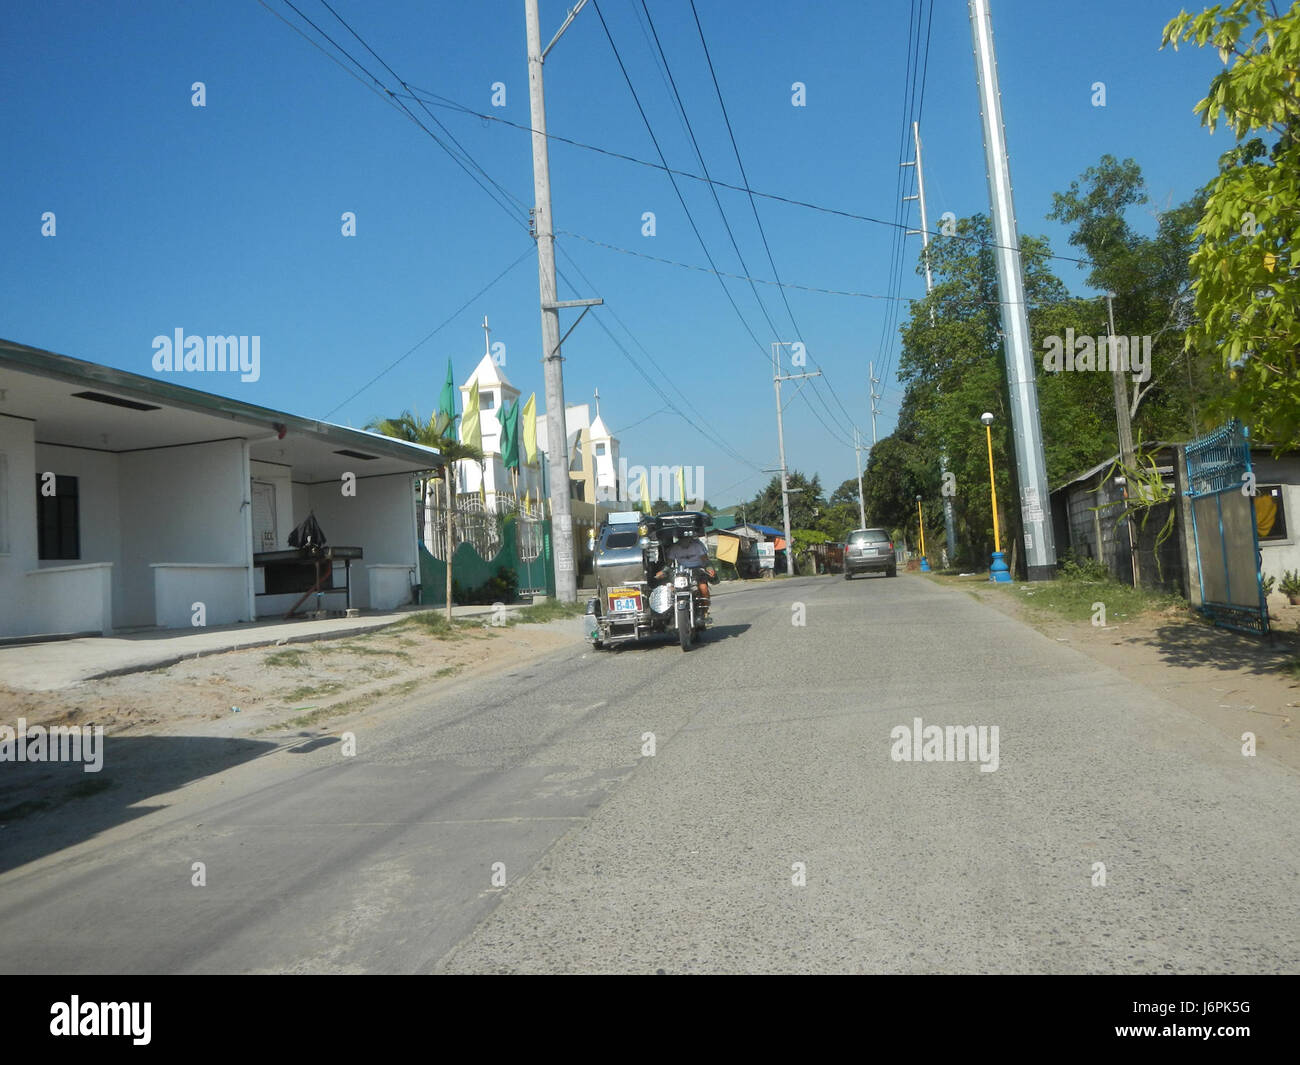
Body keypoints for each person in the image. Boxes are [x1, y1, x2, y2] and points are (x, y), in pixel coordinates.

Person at [656, 531, 716, 612]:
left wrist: (709, 568)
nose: (684, 541)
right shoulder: (674, 548)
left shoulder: (697, 546)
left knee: (703, 588)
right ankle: (672, 610)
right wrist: (663, 571)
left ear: (690, 538)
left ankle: (705, 609)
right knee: (670, 588)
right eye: (682, 539)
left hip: (698, 569)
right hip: (682, 572)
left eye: (686, 538)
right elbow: (668, 564)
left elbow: (706, 561)